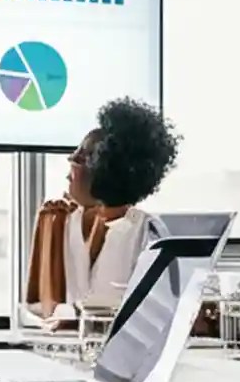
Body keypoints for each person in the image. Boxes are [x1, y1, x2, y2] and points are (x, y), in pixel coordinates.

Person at [25, 97, 180, 320]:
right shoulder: (59, 219)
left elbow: (157, 310)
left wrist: (71, 315)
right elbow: (37, 307)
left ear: (104, 168)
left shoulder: (148, 233)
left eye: (81, 157)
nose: (70, 159)